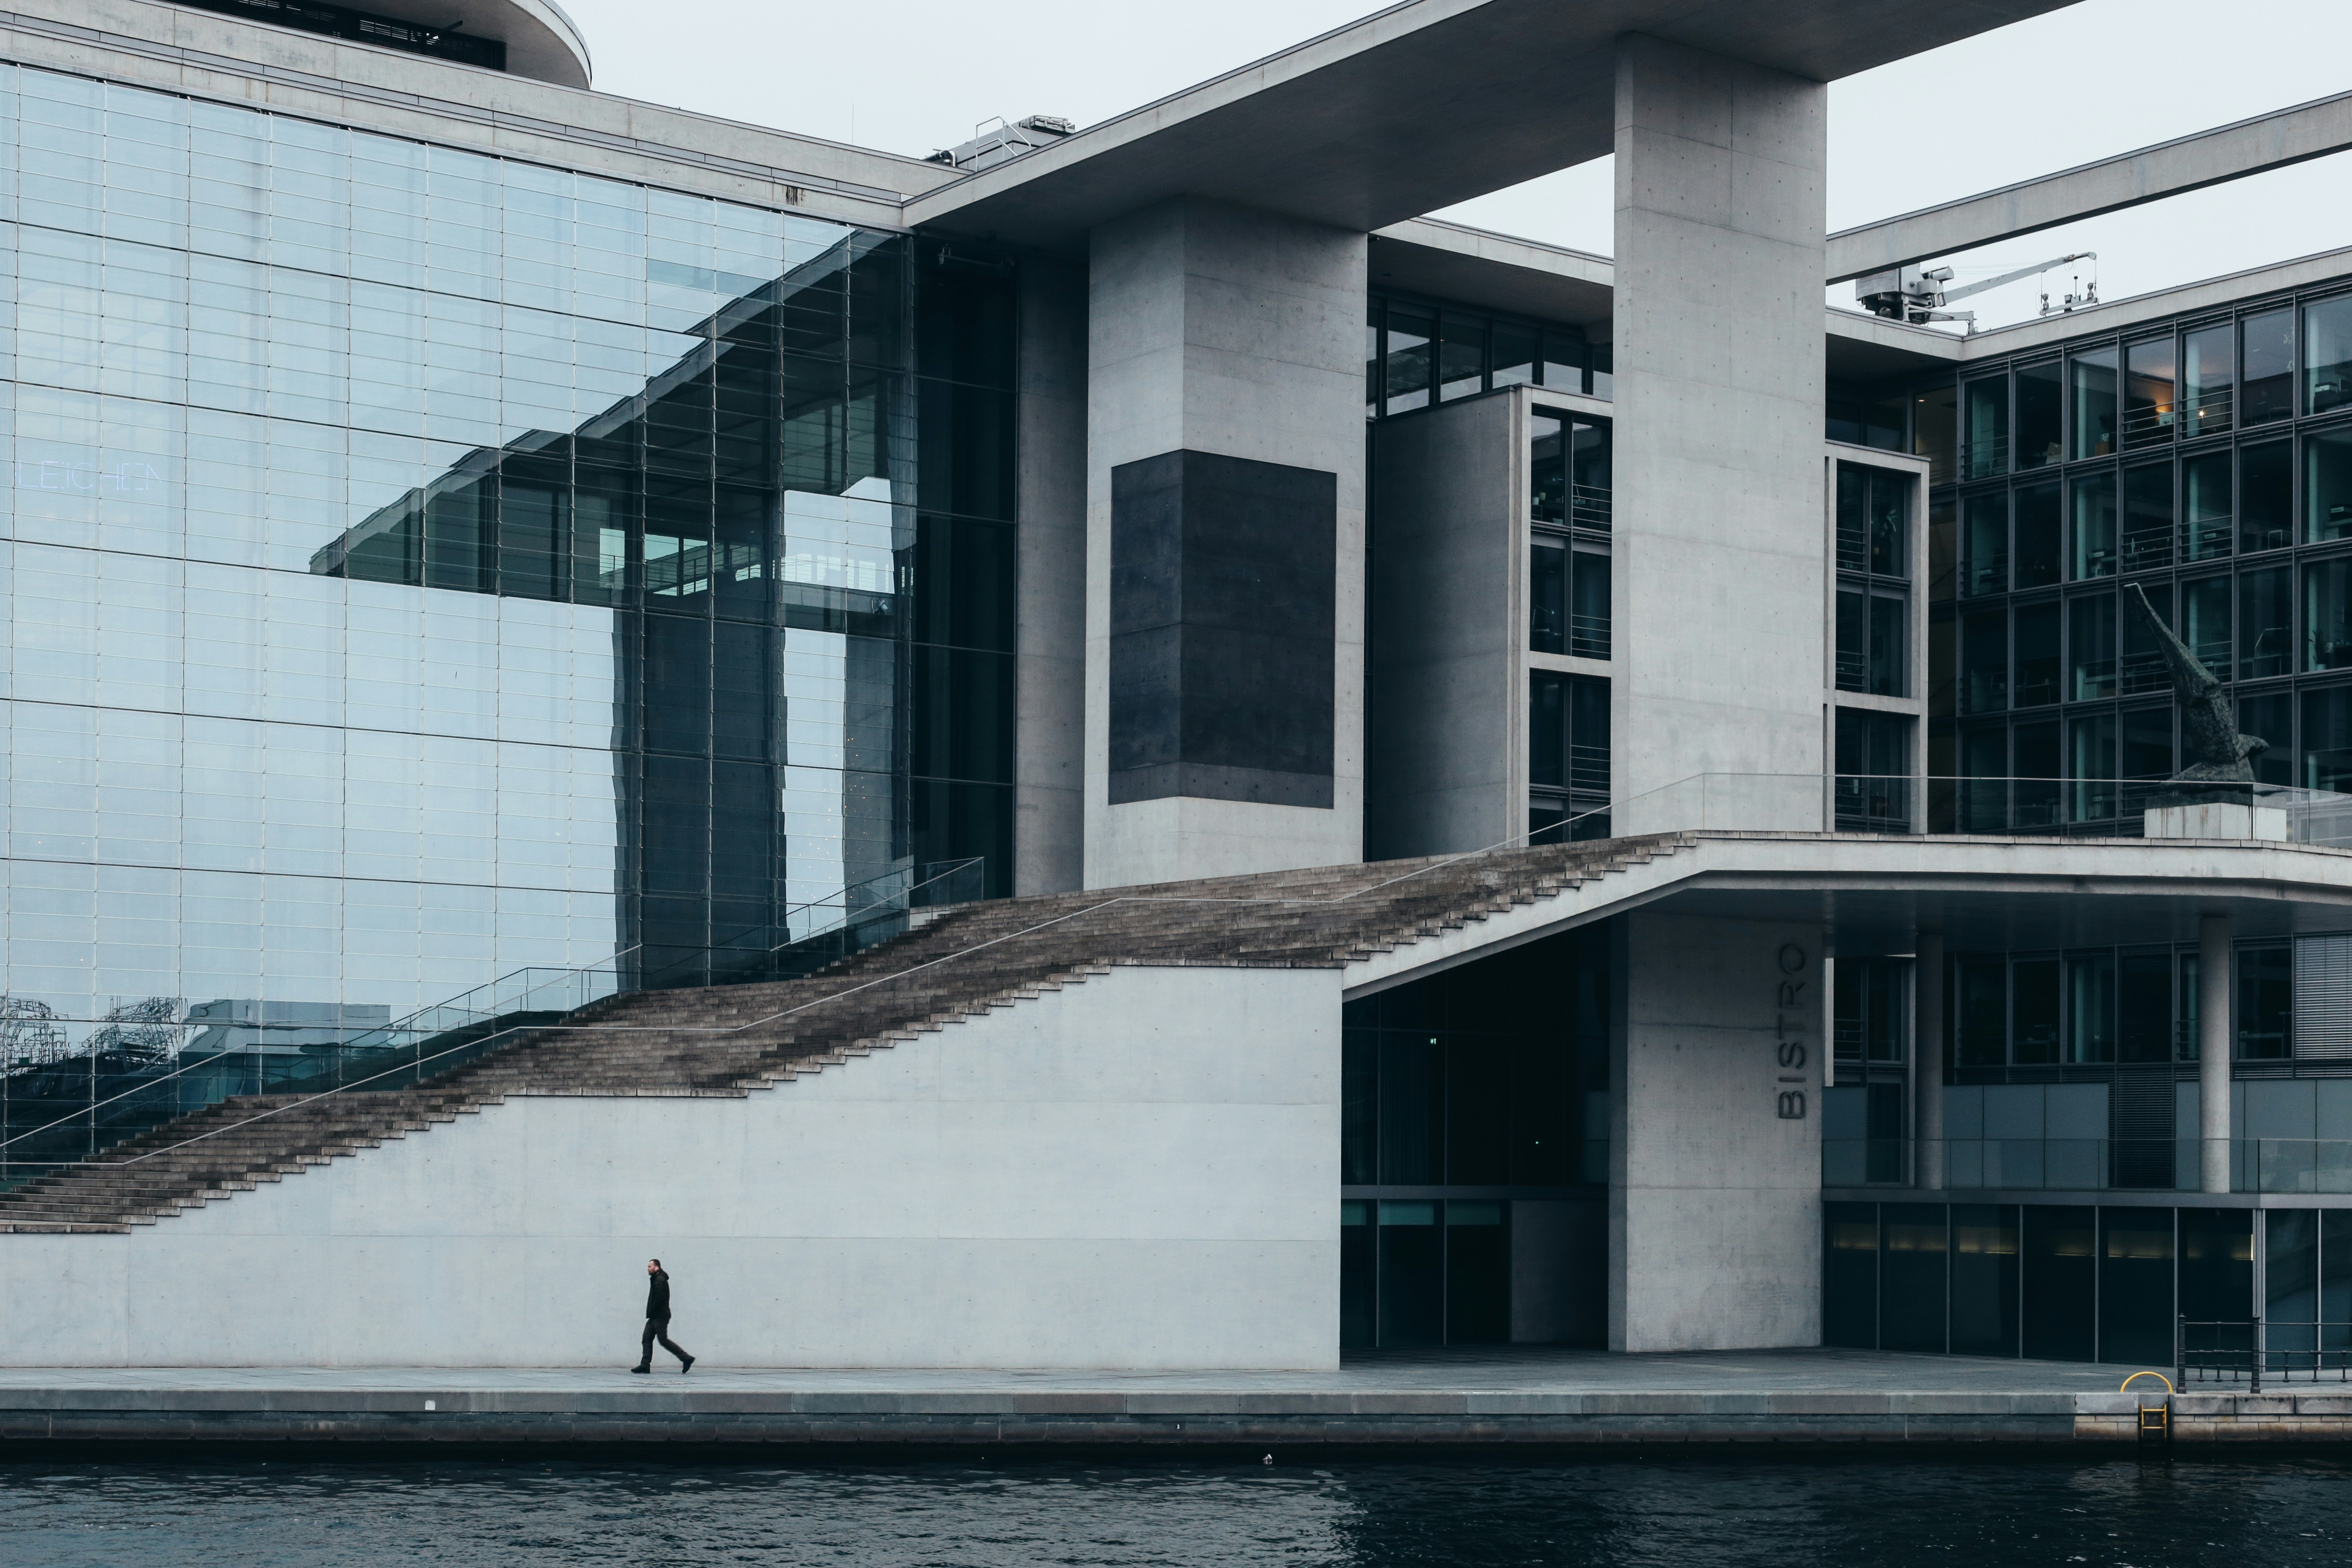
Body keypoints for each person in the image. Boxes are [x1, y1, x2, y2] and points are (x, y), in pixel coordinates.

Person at [632, 1258, 695, 1374]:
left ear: (657, 1268)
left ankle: (686, 1358)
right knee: (647, 1338)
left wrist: (653, 1310)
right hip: (655, 1316)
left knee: (663, 1340)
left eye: (650, 1266)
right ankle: (645, 1365)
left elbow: (660, 1299)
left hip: (660, 1316)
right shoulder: (657, 1279)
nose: (648, 1268)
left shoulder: (660, 1280)